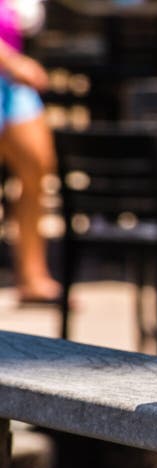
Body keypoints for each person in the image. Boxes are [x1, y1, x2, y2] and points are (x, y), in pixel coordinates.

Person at [0, 0, 58, 303]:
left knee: (37, 171)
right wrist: (12, 62)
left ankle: (33, 276)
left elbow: (29, 20)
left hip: (11, 84)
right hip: (12, 68)